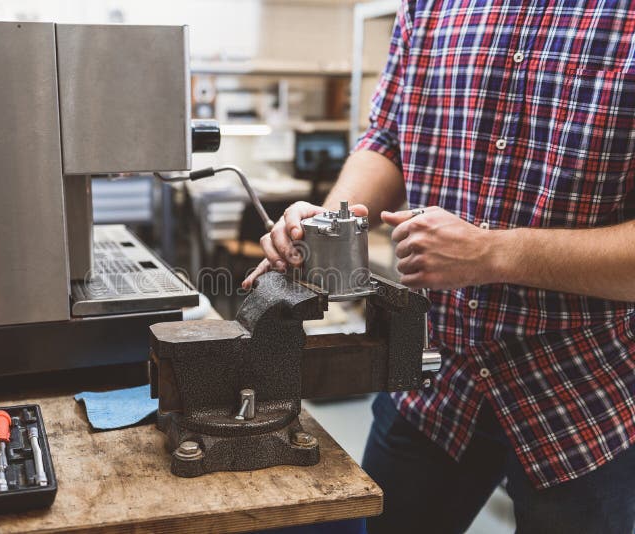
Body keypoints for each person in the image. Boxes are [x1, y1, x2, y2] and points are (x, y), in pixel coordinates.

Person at [242, 1, 635, 532]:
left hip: (581, 394)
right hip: (431, 375)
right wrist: (329, 217)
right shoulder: (429, 7)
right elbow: (385, 141)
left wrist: (494, 252)